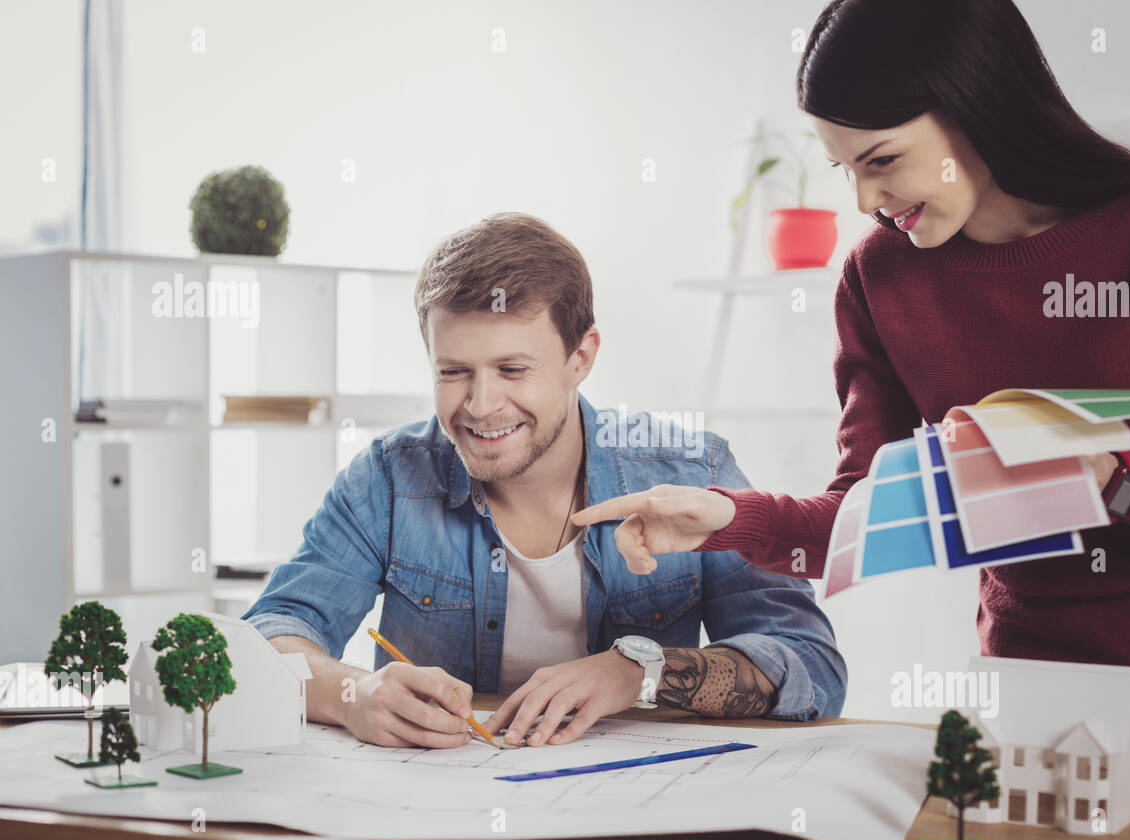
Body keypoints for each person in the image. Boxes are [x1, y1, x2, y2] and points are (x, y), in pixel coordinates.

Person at [571, 0, 1130, 707]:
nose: (865, 199)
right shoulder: (878, 278)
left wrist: (1115, 481)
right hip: (1039, 689)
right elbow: (859, 517)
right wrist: (726, 519)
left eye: (882, 160)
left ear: (978, 105)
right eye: (843, 169)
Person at [244, 213, 845, 749]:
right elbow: (271, 634)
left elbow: (812, 666)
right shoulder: (389, 477)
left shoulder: (691, 470)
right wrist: (353, 693)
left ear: (581, 357)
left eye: (512, 369)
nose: (480, 406)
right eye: (453, 371)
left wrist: (637, 673)